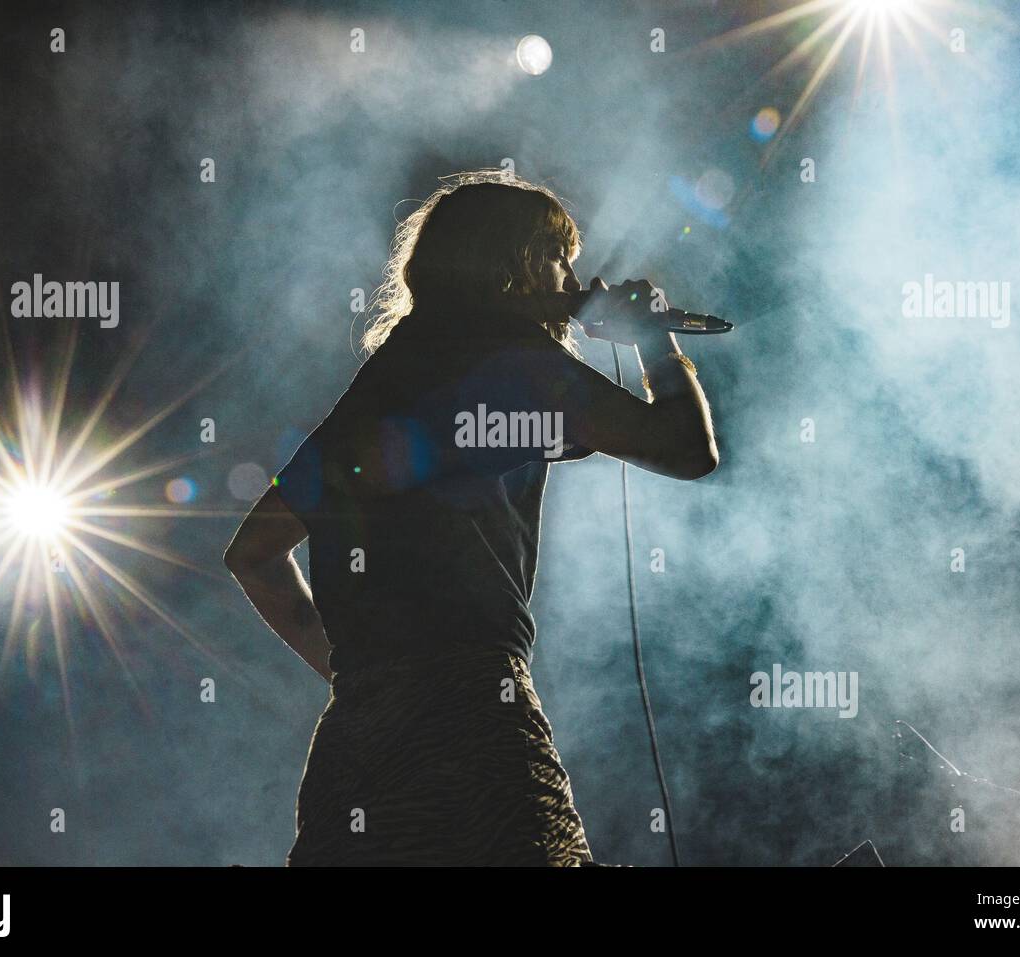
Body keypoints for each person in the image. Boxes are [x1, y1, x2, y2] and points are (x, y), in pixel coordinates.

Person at [224, 170, 719, 866]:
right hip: (473, 716)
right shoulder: (513, 363)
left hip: (359, 741)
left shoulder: (387, 376)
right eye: (559, 255)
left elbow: (252, 552)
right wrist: (650, 340)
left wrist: (351, 671)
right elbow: (687, 449)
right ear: (516, 264)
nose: (574, 275)